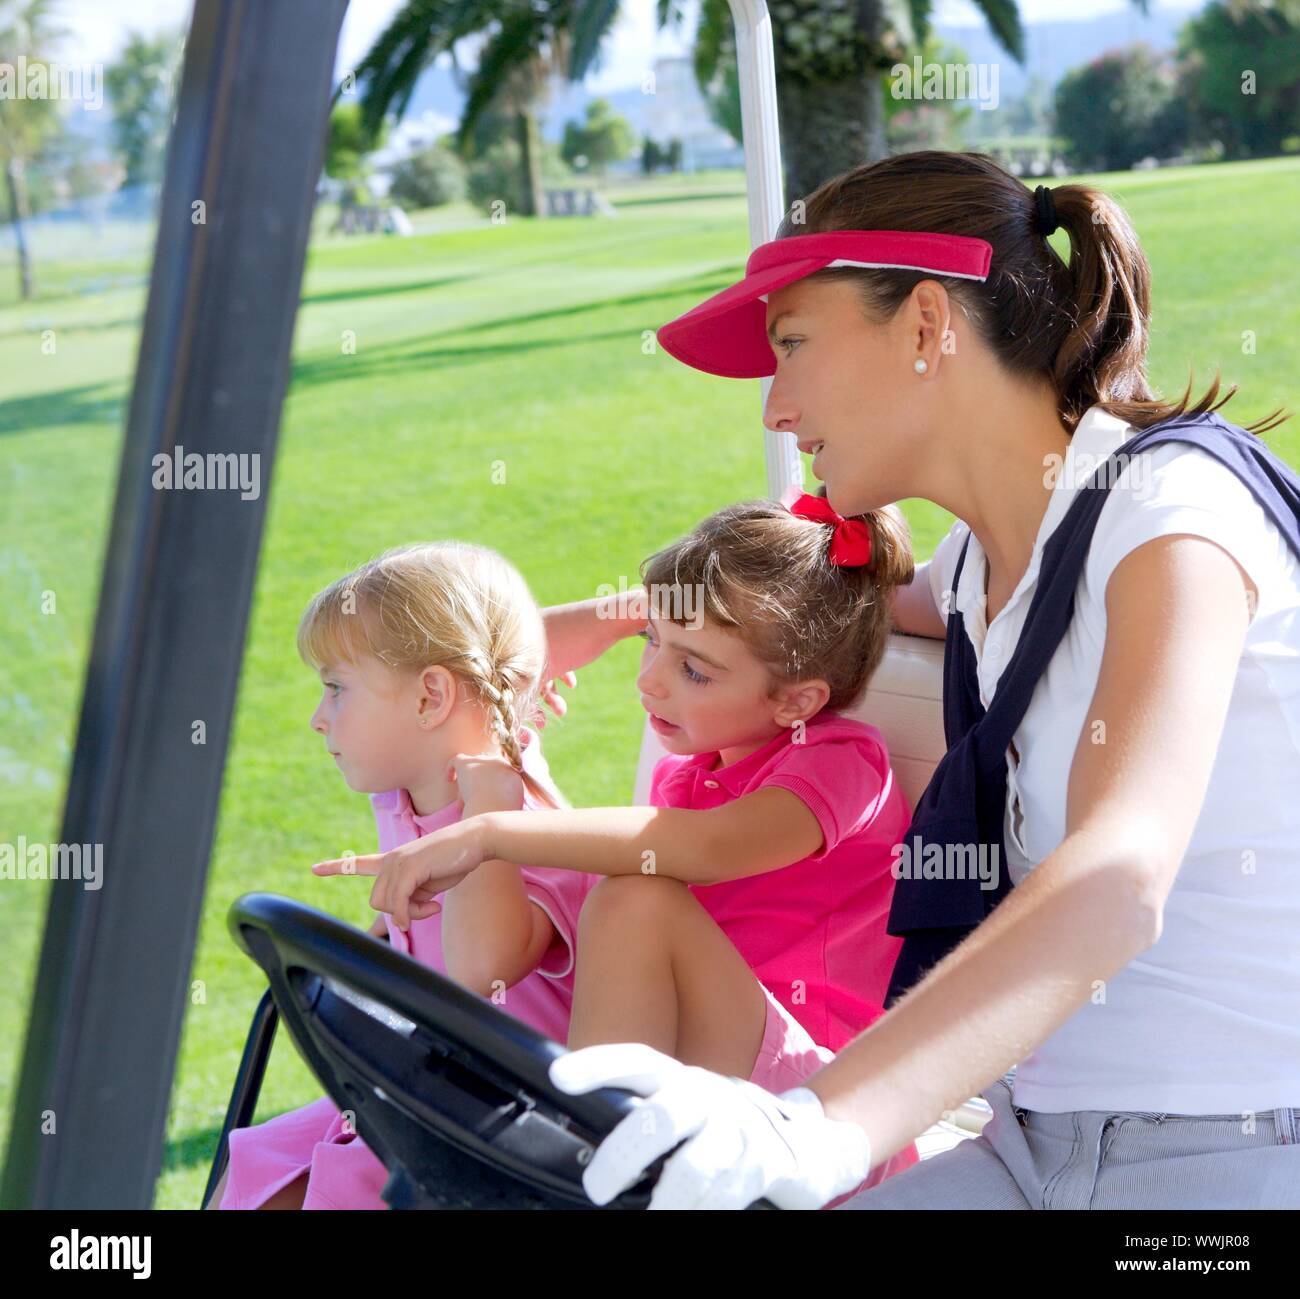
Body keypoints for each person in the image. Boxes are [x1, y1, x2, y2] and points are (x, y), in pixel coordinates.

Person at [392, 149, 1299, 1211]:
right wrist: (561, 634)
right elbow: (799, 617)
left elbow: (1117, 876)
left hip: (1231, 1162)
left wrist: (819, 1126)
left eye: (792, 346)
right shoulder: (979, 566)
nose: (775, 408)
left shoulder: (1172, 515)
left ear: (924, 324)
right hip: (1027, 1148)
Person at [313, 492, 926, 1201]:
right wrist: (655, 604)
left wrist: (487, 833)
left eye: (694, 669)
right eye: (651, 643)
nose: (650, 679)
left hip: (819, 1108)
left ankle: (572, 1171)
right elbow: (494, 671)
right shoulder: (690, 773)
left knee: (633, 896)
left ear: (796, 702)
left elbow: (696, 847)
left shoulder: (840, 760)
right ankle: (577, 1161)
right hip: (711, 1079)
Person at [209, 541, 596, 1209]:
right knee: (258, 1168)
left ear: (430, 697)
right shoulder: (402, 794)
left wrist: (488, 820)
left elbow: (479, 971)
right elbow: (404, 943)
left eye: (336, 686)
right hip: (428, 1086)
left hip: (506, 1129)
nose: (317, 716)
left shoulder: (524, 824)